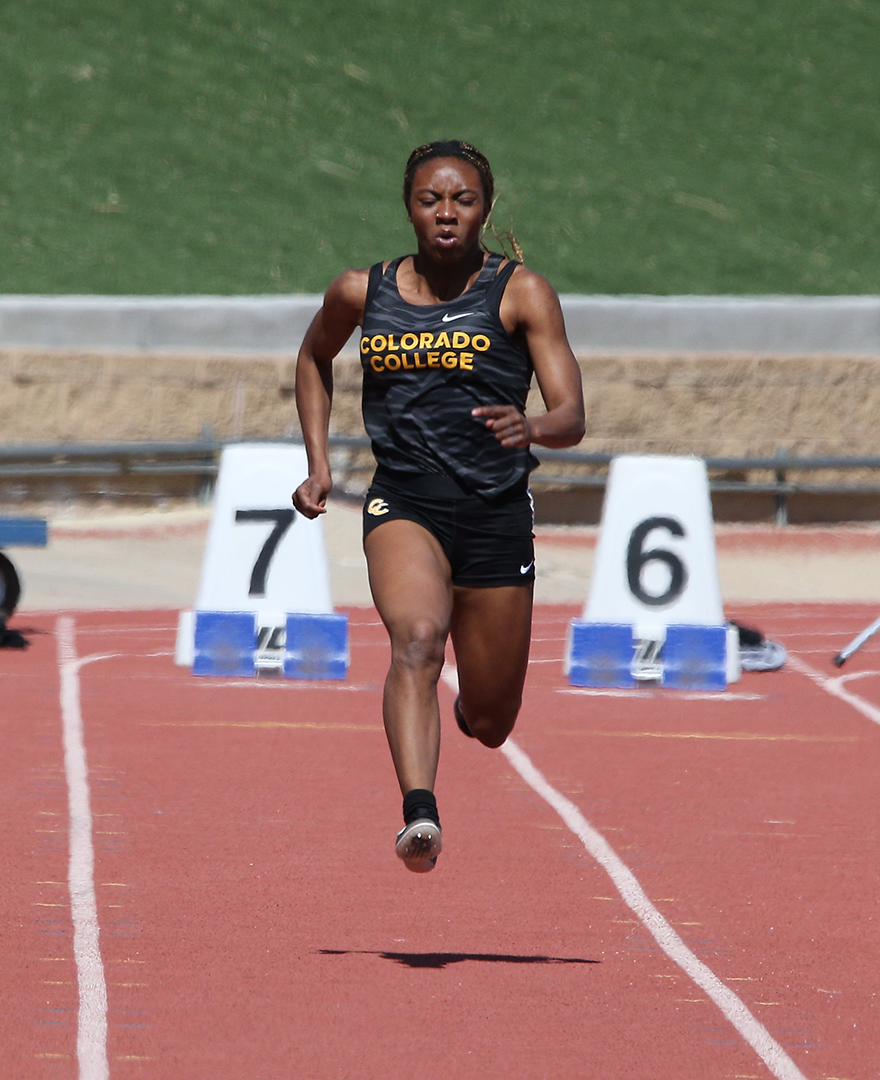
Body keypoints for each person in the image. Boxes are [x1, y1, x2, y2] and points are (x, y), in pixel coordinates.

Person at [292, 141, 586, 872]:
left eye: (463, 200)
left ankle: (468, 714)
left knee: (490, 721)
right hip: (406, 501)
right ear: (409, 207)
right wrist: (321, 465)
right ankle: (419, 811)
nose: (447, 214)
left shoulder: (521, 293)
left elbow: (572, 413)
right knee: (417, 640)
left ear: (485, 209)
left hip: (494, 511)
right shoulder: (362, 292)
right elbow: (312, 358)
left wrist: (535, 426)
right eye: (431, 200)